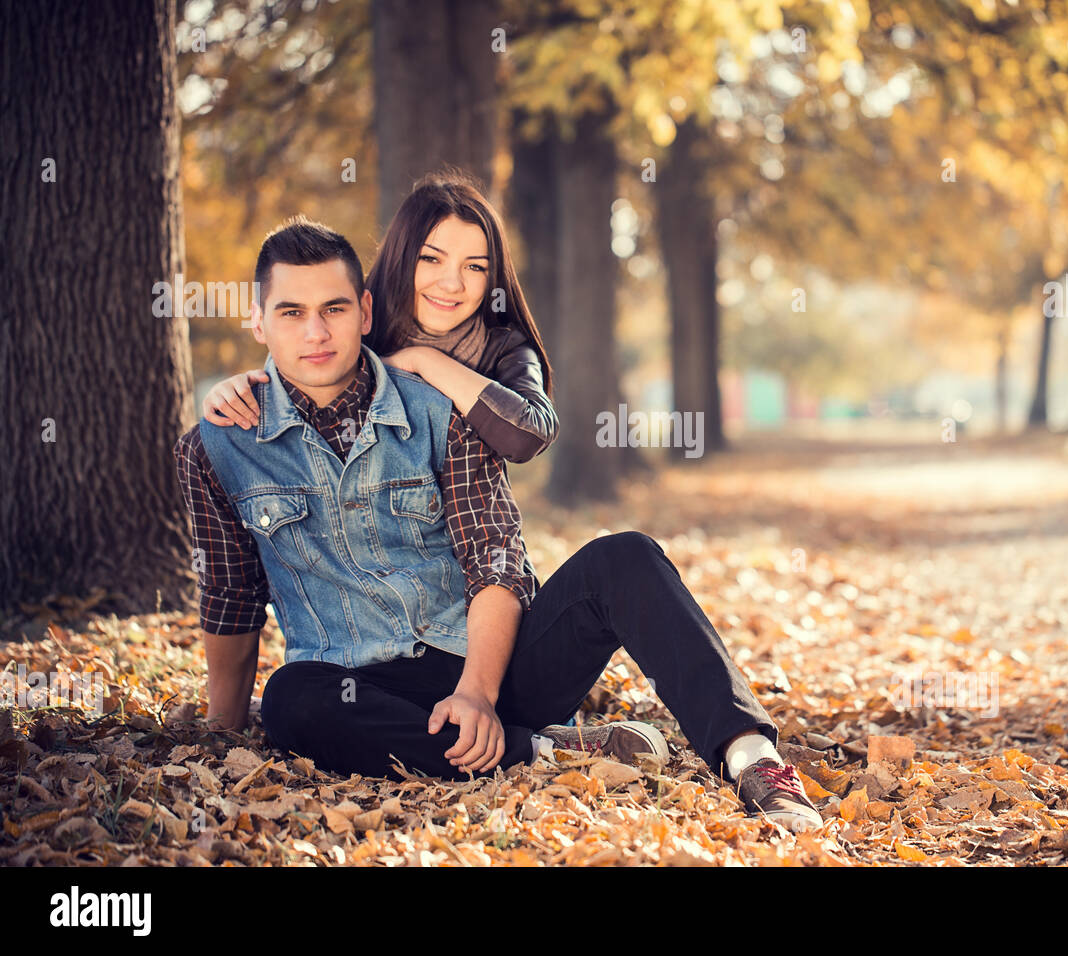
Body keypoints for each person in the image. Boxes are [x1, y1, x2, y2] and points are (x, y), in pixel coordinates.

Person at [172, 216, 822, 832]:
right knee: (289, 701)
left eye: (334, 309)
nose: (315, 332)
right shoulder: (217, 446)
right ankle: (540, 751)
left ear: (364, 313)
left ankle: (751, 757)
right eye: (291, 312)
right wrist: (223, 734)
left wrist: (478, 694)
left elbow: (496, 558)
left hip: (491, 666)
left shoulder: (441, 409)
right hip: (356, 691)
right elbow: (231, 596)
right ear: (258, 321)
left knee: (625, 556)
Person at [199, 171, 556, 466]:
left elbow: (527, 436)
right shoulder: (358, 320)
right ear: (402, 255)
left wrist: (424, 361)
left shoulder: (503, 346)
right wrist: (237, 389)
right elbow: (301, 360)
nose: (452, 284)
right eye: (430, 259)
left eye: (475, 266)